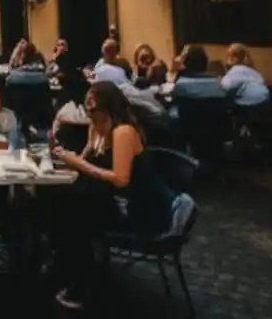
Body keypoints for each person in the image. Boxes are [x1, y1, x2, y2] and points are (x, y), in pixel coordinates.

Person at [49, 82, 180, 310]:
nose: (90, 113)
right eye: (88, 108)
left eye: (94, 108)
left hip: (140, 207)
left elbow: (120, 179)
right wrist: (67, 158)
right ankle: (66, 267)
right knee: (62, 202)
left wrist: (78, 163)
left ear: (107, 107)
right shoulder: (96, 126)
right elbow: (85, 162)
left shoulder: (123, 132)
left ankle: (81, 281)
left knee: (75, 215)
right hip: (114, 198)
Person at [220, 43, 270, 108]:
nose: (231, 57)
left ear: (242, 57)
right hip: (263, 105)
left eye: (235, 55)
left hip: (246, 106)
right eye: (228, 54)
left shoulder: (237, 69)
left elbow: (227, 85)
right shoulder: (254, 73)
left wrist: (219, 81)